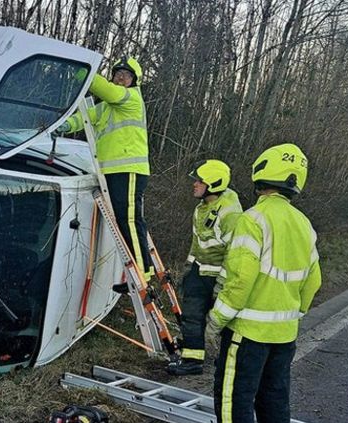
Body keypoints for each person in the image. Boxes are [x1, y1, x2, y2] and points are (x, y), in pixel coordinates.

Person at [198, 143, 321, 423]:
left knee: (235, 395)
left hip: (248, 331)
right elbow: (314, 280)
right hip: (285, 332)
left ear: (261, 173)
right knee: (275, 392)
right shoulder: (303, 224)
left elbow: (239, 279)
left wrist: (216, 319)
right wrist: (294, 311)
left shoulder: (253, 220)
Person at [58, 57, 153, 287]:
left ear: (134, 81)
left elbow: (105, 89)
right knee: (123, 222)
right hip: (111, 172)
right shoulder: (105, 108)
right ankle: (137, 272)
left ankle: (142, 275)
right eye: (117, 73)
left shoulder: (131, 98)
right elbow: (83, 119)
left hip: (129, 170)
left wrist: (83, 73)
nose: (120, 78)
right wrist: (62, 126)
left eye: (126, 75)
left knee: (129, 221)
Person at [167, 160, 242, 376]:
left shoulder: (230, 214)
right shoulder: (202, 208)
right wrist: (189, 268)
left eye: (200, 181)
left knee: (225, 320)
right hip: (199, 272)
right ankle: (192, 360)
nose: (195, 184)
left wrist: (221, 284)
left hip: (218, 277)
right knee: (192, 316)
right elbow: (198, 242)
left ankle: (227, 360)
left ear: (214, 184)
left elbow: (234, 253)